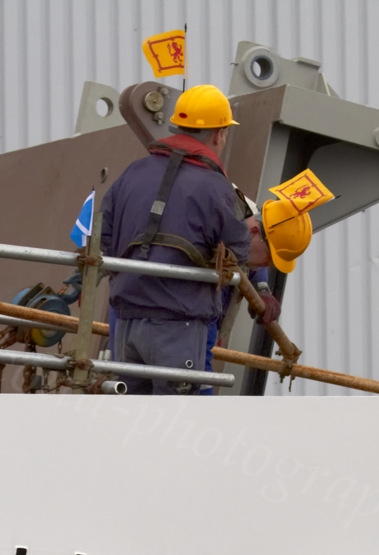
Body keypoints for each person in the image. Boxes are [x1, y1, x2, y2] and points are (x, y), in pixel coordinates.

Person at [100, 84, 276, 394]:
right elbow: (239, 249)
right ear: (219, 134)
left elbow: (104, 235)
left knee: (133, 421)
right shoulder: (214, 186)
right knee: (181, 419)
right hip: (177, 325)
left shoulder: (132, 173)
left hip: (126, 321)